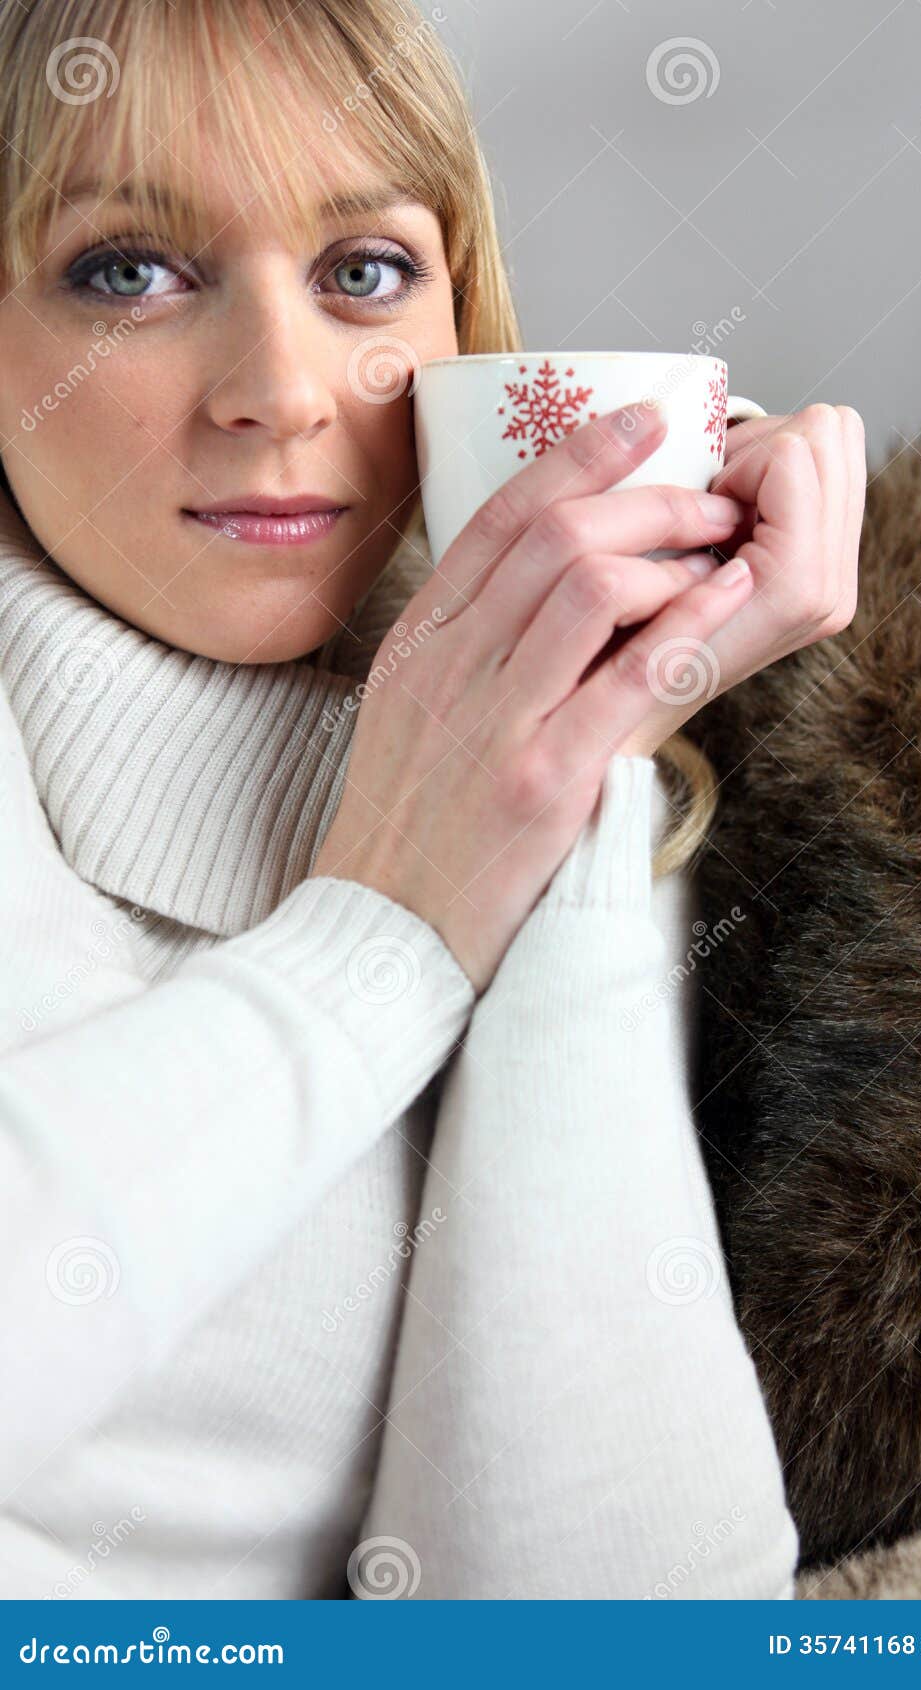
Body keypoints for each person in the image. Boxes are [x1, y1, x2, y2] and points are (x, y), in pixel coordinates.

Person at [0, 0, 863, 1599]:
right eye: (128, 270)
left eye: (363, 270)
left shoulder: (515, 768)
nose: (282, 393)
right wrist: (388, 933)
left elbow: (612, 1626)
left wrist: (585, 736)